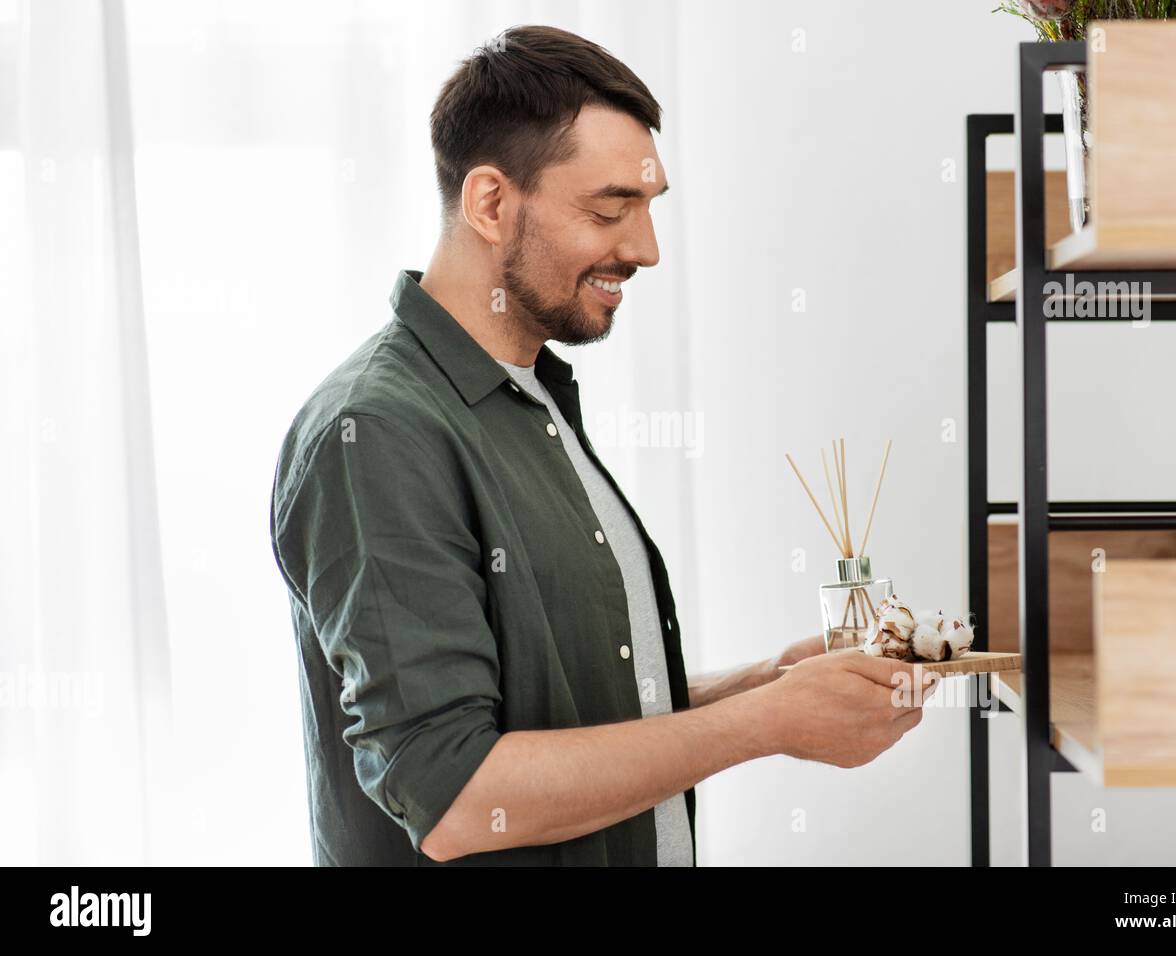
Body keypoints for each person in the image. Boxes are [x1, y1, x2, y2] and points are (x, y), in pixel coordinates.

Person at [269, 24, 934, 867]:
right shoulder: (376, 434)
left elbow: (560, 712)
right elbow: (458, 795)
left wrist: (768, 681)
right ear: (489, 204)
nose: (645, 249)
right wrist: (765, 725)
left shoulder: (529, 399)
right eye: (609, 210)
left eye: (650, 210)